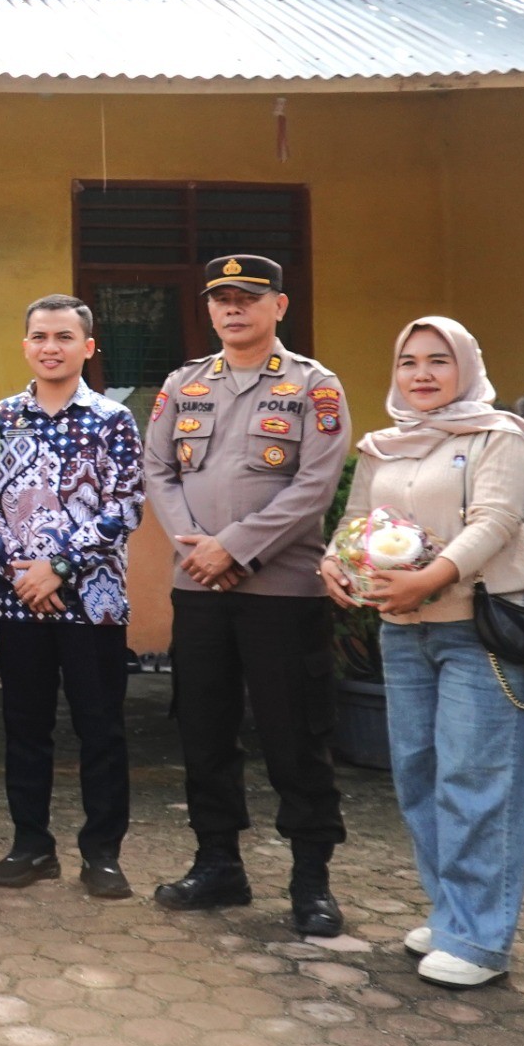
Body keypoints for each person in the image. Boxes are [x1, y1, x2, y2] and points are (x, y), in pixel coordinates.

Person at [323, 316, 524, 989]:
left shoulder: (499, 437)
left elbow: (495, 521)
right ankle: (452, 911)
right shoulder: (385, 445)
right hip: (402, 628)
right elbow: (354, 523)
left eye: (438, 361)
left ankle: (480, 939)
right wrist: (335, 566)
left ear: (467, 367)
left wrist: (433, 576)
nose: (422, 374)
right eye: (409, 362)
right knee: (419, 774)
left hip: (477, 627)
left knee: (476, 779)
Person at [143, 254, 351, 936]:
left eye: (249, 298)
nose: (234, 309)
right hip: (198, 586)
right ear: (208, 309)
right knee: (204, 729)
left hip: (283, 591)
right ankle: (218, 864)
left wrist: (233, 547)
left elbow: (315, 486)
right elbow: (158, 470)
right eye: (222, 299)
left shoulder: (313, 387)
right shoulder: (183, 386)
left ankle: (311, 879)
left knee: (296, 735)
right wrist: (196, 545)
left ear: (279, 307)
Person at [0, 295, 144, 899]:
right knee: (25, 727)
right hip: (20, 600)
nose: (51, 347)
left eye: (65, 337)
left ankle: (102, 853)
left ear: (87, 347)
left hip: (93, 603)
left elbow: (127, 505)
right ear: (25, 345)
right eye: (41, 336)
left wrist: (60, 567)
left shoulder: (112, 420)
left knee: (100, 728)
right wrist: (24, 571)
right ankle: (31, 845)